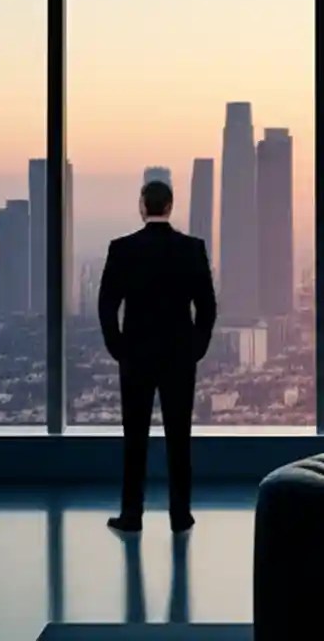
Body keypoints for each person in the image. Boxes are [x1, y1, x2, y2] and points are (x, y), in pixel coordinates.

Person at [98, 180, 217, 533]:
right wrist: (197, 348)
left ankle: (131, 515)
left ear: (142, 205)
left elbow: (107, 305)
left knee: (134, 439)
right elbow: (207, 306)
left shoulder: (122, 249)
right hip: (179, 356)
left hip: (135, 355)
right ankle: (180, 515)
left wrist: (118, 347)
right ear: (170, 206)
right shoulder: (191, 249)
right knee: (179, 438)